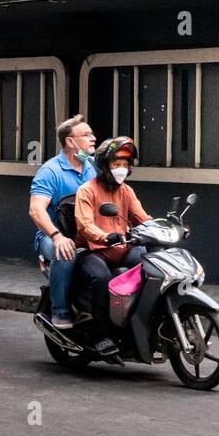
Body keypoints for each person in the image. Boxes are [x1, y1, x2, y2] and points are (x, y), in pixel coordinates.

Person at [72, 137, 152, 357]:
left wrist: (164, 228)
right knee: (101, 278)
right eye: (117, 164)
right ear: (104, 165)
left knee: (148, 266)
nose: (122, 169)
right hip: (92, 251)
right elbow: (84, 224)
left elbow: (142, 218)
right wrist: (105, 237)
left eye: (125, 165)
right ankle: (100, 335)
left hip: (122, 248)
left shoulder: (126, 191)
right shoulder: (87, 191)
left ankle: (138, 324)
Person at [28, 115, 97, 329]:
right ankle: (60, 310)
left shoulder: (92, 166)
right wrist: (57, 237)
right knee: (66, 253)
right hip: (53, 235)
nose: (93, 138)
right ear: (70, 142)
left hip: (87, 232)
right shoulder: (51, 171)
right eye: (86, 135)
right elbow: (36, 210)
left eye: (92, 133)